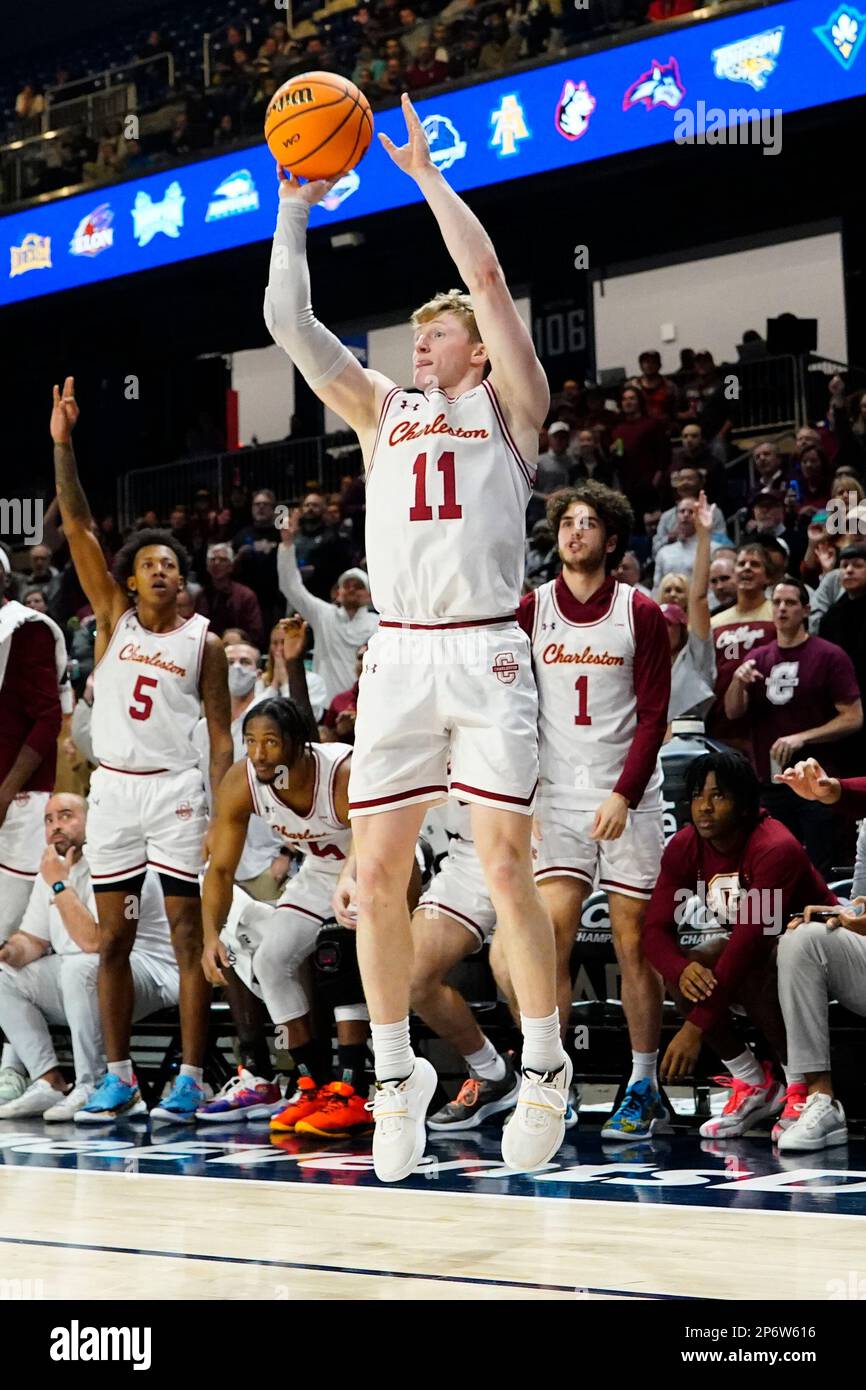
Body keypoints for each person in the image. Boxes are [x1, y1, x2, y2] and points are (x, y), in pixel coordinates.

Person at [264, 93, 568, 1180]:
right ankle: (396, 1076)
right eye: (416, 333)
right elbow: (288, 330)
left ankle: (541, 1064)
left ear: (475, 353)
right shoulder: (381, 409)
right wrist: (293, 211)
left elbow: (484, 282)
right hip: (397, 653)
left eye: (436, 332)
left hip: (486, 650)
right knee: (378, 872)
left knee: (501, 861)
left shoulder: (509, 408)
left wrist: (427, 177)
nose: (421, 341)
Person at [51, 378, 233, 1124]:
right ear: (128, 580)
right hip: (116, 796)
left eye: (172, 564)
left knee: (189, 936)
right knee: (114, 939)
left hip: (176, 795)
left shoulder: (205, 643)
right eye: (149, 563)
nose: (163, 570)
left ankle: (190, 1075)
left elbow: (222, 733)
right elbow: (78, 526)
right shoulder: (110, 619)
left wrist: (223, 807)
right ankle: (120, 1075)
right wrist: (62, 445)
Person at [507, 481, 671, 1141]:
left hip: (626, 795)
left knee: (633, 944)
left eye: (589, 524)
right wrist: (525, 795)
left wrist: (623, 794)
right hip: (556, 800)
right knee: (552, 939)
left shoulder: (641, 613)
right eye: (567, 522)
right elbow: (509, 708)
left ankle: (642, 1082)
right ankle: (551, 1078)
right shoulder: (530, 611)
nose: (575, 533)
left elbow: (655, 715)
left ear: (611, 538)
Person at [200, 697, 371, 1134]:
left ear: (298, 743)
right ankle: (314, 1085)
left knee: (339, 945)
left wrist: (352, 888)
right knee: (269, 960)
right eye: (251, 741)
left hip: (375, 863)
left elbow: (377, 841)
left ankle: (353, 1090)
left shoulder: (342, 774)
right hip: (319, 871)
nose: (258, 754)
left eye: (271, 742)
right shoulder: (244, 781)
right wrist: (210, 937)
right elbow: (219, 868)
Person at [643, 751, 834, 1139]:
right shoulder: (684, 846)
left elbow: (750, 943)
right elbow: (654, 931)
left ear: (746, 805)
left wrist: (694, 1028)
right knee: (686, 969)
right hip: (762, 949)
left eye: (718, 796)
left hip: (819, 954)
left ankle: (798, 1085)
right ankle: (754, 1083)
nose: (704, 808)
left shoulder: (774, 846)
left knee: (753, 965)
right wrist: (680, 970)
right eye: (697, 796)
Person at [0, 797, 178, 1122]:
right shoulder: (53, 867)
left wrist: (59, 883)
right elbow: (34, 941)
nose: (55, 826)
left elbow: (96, 942)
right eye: (49, 819)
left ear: (91, 820)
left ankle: (94, 1084)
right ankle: (48, 1080)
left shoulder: (112, 861)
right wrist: (8, 950)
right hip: (82, 978)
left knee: (80, 969)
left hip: (148, 974)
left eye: (66, 816)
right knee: (4, 975)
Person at [725, 579, 862, 876]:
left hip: (818, 782)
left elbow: (853, 717)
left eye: (790, 603)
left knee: (819, 868)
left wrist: (802, 738)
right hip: (771, 783)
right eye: (776, 603)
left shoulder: (829, 656)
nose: (782, 609)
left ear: (806, 609)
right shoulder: (757, 659)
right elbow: (733, 712)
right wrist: (737, 682)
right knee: (773, 866)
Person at [409, 801, 520, 1129]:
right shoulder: (424, 750)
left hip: (533, 848)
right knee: (412, 976)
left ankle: (549, 1083)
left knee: (512, 965)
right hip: (468, 858)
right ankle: (492, 1074)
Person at [192, 636, 287, 904]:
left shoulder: (271, 721)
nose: (236, 668)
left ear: (258, 672)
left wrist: (286, 853)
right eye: (229, 662)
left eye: (245, 662)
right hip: (215, 853)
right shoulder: (201, 729)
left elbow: (291, 786)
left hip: (265, 856)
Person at [277, 515, 378, 703]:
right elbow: (291, 587)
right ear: (336, 593)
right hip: (325, 705)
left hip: (366, 703)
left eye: (359, 586)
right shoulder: (324, 615)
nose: (352, 590)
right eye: (347, 585)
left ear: (370, 596)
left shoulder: (378, 625)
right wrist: (287, 546)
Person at [707, 543, 776, 751]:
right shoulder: (716, 621)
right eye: (741, 564)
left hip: (769, 718)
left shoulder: (778, 614)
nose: (746, 568)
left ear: (769, 577)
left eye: (755, 564)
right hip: (723, 721)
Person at [665, 493, 717, 724]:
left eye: (668, 623)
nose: (662, 629)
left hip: (690, 747)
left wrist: (703, 536)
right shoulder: (646, 663)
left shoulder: (697, 655)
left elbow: (698, 598)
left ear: (681, 627)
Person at [194, 542, 264, 649]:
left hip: (239, 649)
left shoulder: (245, 595)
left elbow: (256, 633)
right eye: (213, 559)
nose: (217, 563)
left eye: (222, 560)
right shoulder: (200, 596)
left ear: (231, 566)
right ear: (207, 566)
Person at [653, 495, 725, 592]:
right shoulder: (663, 553)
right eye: (682, 511)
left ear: (700, 516)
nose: (686, 515)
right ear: (676, 516)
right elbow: (657, 588)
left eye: (691, 512)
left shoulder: (714, 550)